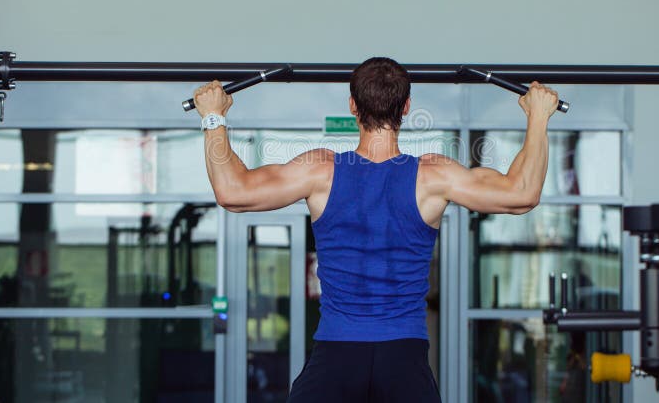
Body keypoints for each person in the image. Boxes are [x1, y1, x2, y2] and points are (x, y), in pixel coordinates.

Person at [193, 57, 559, 403]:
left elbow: (233, 192)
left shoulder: (320, 169)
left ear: (352, 106)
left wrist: (213, 117)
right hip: (404, 358)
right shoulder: (432, 176)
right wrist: (538, 117)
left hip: (336, 358)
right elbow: (521, 194)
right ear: (406, 107)